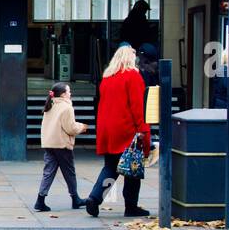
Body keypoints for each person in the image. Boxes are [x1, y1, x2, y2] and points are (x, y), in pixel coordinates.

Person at [85, 44, 152, 219]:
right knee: (132, 170)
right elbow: (137, 107)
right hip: (126, 129)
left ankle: (95, 197)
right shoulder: (133, 77)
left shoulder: (107, 77)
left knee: (110, 167)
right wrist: (143, 131)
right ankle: (131, 206)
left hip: (108, 129)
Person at [35, 83, 88, 211]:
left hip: (49, 143)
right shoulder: (66, 107)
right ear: (63, 94)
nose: (70, 94)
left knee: (48, 172)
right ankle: (75, 199)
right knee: (69, 173)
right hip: (62, 144)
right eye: (69, 91)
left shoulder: (50, 105)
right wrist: (82, 127)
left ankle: (40, 200)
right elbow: (70, 128)